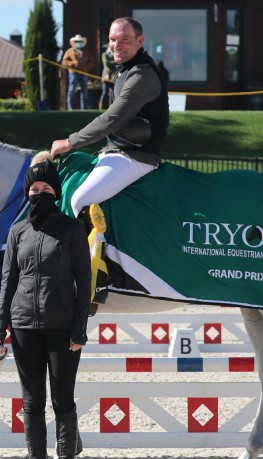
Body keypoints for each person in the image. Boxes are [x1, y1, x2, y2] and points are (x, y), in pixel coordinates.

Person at [0, 155, 91, 459]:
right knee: (32, 404)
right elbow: (8, 283)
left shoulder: (72, 229)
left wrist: (80, 329)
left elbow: (84, 282)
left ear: (56, 192)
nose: (39, 193)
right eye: (34, 189)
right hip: (23, 327)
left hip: (62, 328)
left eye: (46, 188)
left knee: (63, 401)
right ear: (27, 193)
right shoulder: (17, 232)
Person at [50, 17, 169, 302]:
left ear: (140, 41)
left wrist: (70, 141)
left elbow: (112, 118)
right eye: (113, 40)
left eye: (124, 40)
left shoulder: (142, 75)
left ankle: (96, 276)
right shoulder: (122, 70)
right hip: (116, 151)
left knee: (80, 199)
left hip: (136, 157)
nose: (117, 45)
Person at [61, 34, 96, 110]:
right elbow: (64, 61)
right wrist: (72, 63)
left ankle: (84, 108)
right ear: (74, 42)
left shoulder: (86, 51)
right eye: (77, 41)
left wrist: (87, 66)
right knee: (71, 90)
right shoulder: (69, 51)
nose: (78, 42)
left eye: (80, 41)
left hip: (84, 73)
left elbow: (92, 61)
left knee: (84, 91)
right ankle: (70, 107)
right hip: (73, 73)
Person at [99, 44, 114, 110]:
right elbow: (106, 64)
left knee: (112, 93)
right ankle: (101, 107)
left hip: (113, 77)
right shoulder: (104, 54)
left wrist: (113, 63)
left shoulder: (115, 55)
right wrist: (114, 62)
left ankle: (111, 107)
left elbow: (119, 63)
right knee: (104, 92)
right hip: (106, 76)